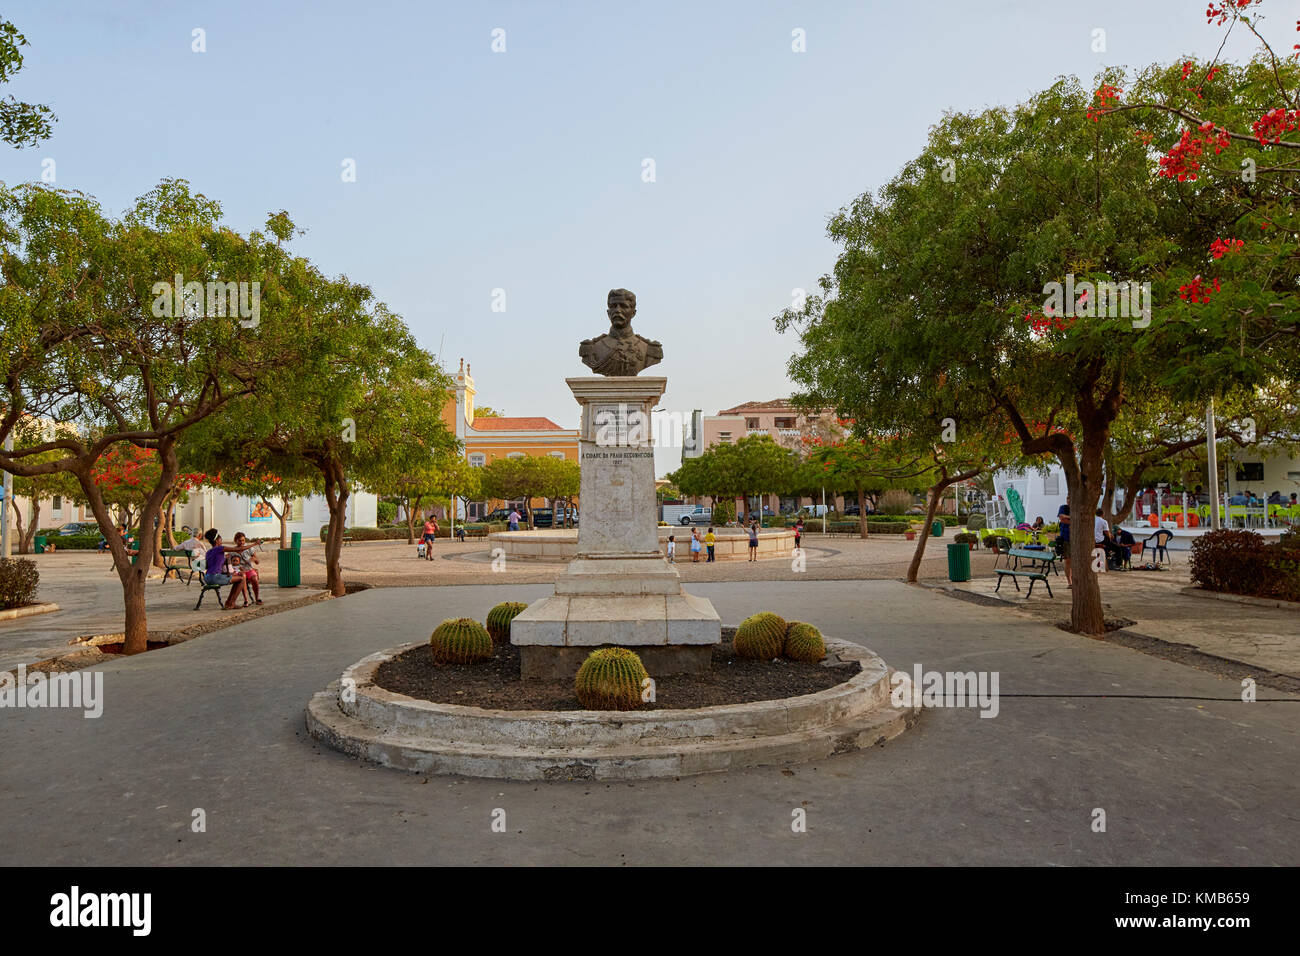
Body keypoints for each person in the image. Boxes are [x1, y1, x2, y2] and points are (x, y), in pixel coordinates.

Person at [202, 529, 248, 610]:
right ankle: (231, 603)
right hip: (215, 577)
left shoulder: (209, 552)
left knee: (238, 578)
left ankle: (229, 602)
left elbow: (211, 566)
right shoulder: (219, 548)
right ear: (217, 540)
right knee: (242, 578)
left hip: (207, 577)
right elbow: (239, 549)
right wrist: (255, 544)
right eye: (221, 539)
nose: (221, 541)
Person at [230, 532, 263, 604]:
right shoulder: (232, 551)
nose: (242, 542)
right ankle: (246, 600)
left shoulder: (249, 549)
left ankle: (257, 598)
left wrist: (254, 559)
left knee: (254, 578)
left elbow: (257, 562)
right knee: (243, 578)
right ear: (236, 541)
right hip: (239, 571)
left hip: (249, 569)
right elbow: (230, 563)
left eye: (243, 540)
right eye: (240, 541)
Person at [1054, 503, 1071, 587]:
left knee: (1075, 561)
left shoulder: (1078, 507)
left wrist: (1067, 518)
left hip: (1076, 539)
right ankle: (1069, 582)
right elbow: (1062, 518)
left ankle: (1074, 581)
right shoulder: (1063, 507)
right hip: (1065, 538)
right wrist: (1073, 518)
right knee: (1067, 560)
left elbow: (1065, 519)